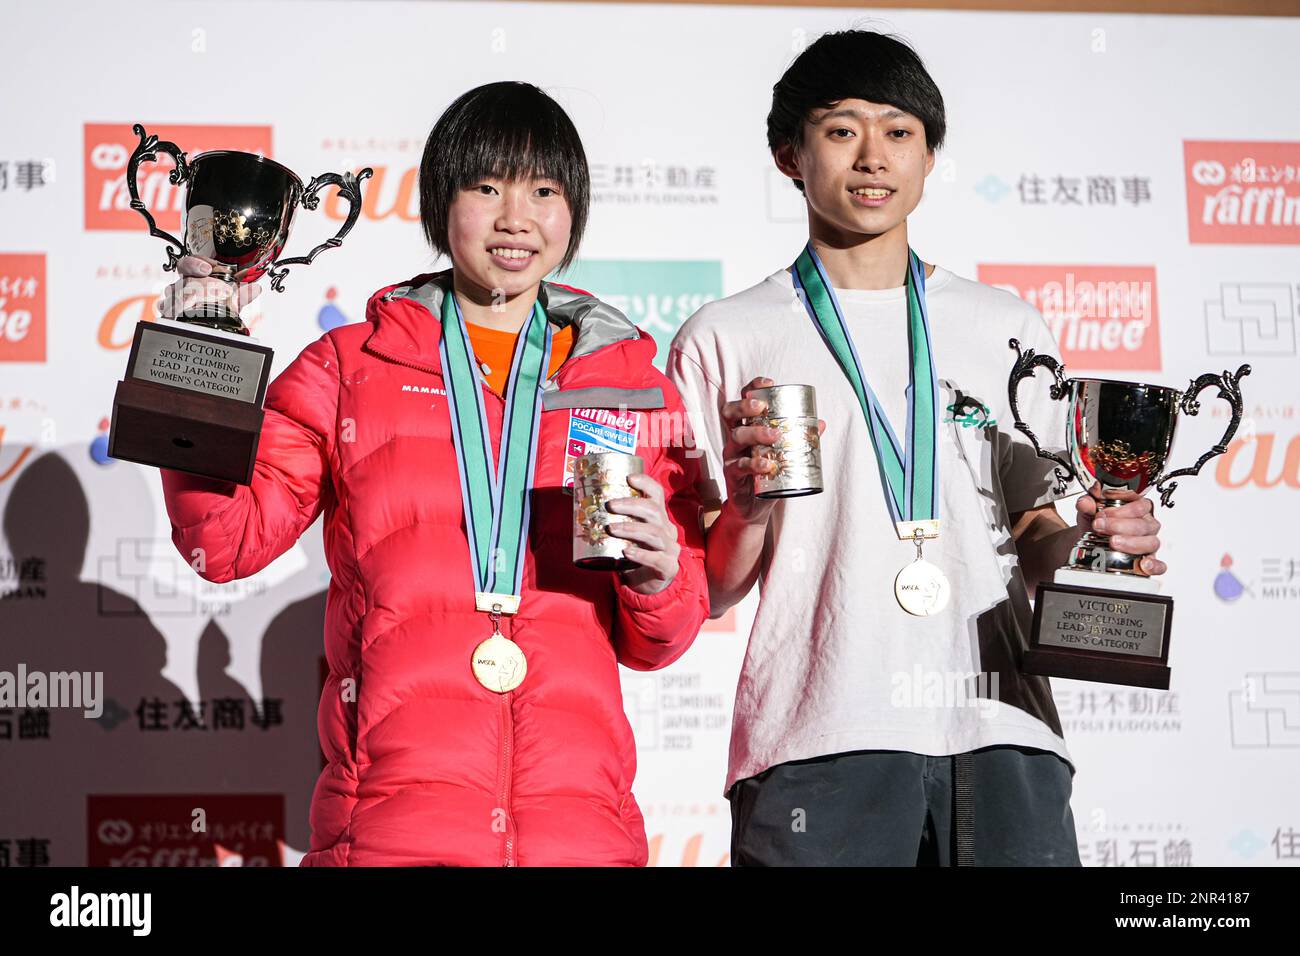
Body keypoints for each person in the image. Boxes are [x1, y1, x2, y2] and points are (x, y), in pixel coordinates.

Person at [159, 81, 709, 866]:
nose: (516, 218)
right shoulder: (350, 367)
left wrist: (657, 579)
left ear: (573, 209)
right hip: (388, 838)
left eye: (543, 191)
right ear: (439, 203)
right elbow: (225, 542)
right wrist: (198, 342)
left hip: (579, 839)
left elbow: (661, 642)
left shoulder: (630, 386)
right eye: (486, 188)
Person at [666, 30, 1165, 866]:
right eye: (841, 129)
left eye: (899, 132)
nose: (873, 157)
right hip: (820, 733)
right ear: (789, 154)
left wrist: (1095, 537)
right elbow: (708, 588)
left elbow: (1035, 533)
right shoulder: (725, 338)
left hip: (1004, 729)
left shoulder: (1006, 330)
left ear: (930, 156)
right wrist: (751, 510)